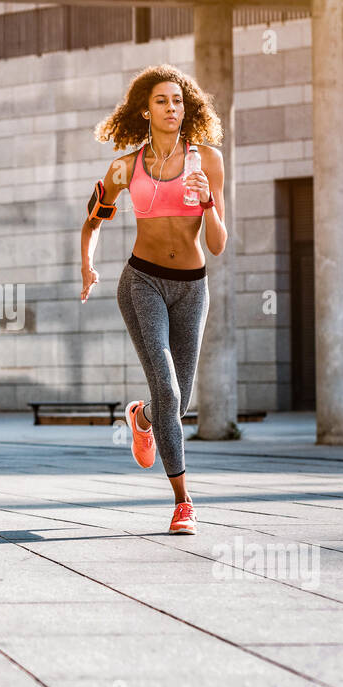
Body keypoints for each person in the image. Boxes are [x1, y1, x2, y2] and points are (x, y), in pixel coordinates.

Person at [80, 64, 228, 534]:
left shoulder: (208, 161)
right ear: (146, 110)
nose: (171, 108)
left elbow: (220, 244)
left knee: (174, 402)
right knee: (168, 387)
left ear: (188, 109)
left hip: (193, 286)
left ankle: (141, 416)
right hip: (141, 281)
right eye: (162, 101)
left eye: (178, 101)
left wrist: (207, 203)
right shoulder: (125, 167)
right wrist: (87, 263)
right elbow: (94, 221)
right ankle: (184, 501)